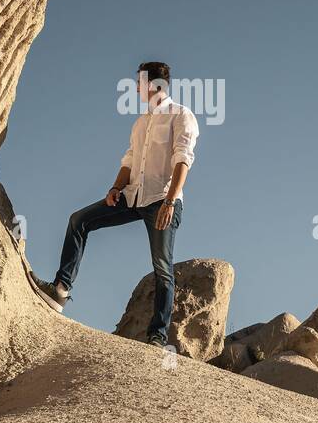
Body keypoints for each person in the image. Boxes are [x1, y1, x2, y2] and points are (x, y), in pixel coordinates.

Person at [34, 61, 200, 347]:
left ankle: (157, 336)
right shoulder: (141, 122)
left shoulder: (181, 115)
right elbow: (129, 161)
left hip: (162, 199)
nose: (136, 87)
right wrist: (115, 188)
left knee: (162, 267)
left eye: (140, 82)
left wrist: (170, 202)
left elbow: (182, 161)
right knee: (79, 220)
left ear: (155, 85)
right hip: (132, 196)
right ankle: (61, 289)